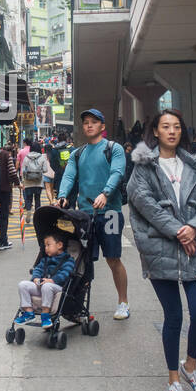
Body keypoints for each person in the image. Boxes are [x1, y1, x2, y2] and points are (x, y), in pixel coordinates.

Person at [126, 109, 196, 391]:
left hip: (195, 247)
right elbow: (146, 206)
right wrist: (180, 231)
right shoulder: (143, 168)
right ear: (156, 131)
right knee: (174, 316)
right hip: (161, 250)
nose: (172, 131)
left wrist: (195, 228)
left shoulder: (195, 165)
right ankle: (173, 381)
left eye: (177, 126)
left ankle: (191, 368)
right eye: (165, 126)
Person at [57, 109, 130, 321]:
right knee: (83, 261)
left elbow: (117, 172)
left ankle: (123, 302)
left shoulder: (113, 149)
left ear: (102, 126)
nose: (89, 125)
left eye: (94, 122)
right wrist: (62, 196)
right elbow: (69, 176)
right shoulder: (77, 153)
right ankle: (77, 308)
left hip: (110, 214)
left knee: (113, 258)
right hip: (85, 216)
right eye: (86, 122)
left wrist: (106, 193)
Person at [15, 232, 76, 329]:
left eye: (48, 245)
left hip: (57, 288)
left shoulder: (68, 260)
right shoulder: (45, 260)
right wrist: (35, 278)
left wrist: (52, 280)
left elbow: (65, 273)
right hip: (42, 286)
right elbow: (38, 269)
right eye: (45, 245)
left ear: (59, 245)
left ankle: (45, 314)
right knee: (23, 285)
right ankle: (28, 312)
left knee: (47, 286)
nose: (45, 248)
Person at [0, 138, 19, 250]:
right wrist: (18, 183)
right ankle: (3, 240)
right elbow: (12, 172)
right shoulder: (5, 155)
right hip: (4, 189)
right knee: (3, 215)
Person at [19, 139, 51, 216]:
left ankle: (29, 210)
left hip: (28, 181)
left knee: (29, 198)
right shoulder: (42, 157)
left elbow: (23, 170)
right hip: (38, 181)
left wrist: (23, 181)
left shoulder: (27, 157)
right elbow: (45, 170)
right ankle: (37, 214)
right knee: (37, 199)